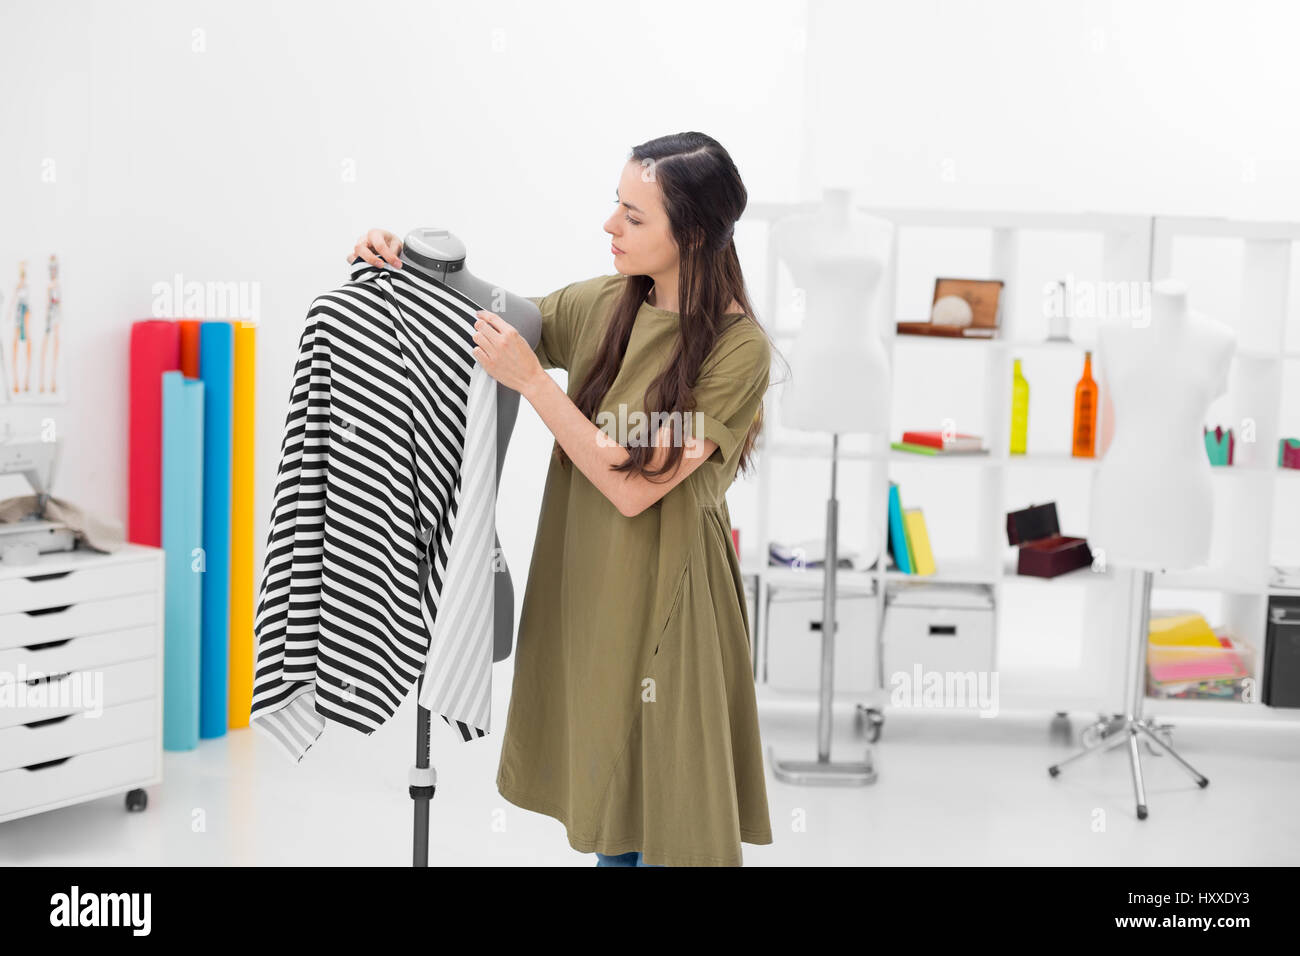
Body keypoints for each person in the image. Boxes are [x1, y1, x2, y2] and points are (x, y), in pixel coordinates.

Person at [351, 131, 782, 867]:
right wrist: (414, 260)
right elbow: (503, 313)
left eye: (635, 216)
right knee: (612, 814)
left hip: (671, 610)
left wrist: (535, 382)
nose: (610, 225)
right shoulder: (608, 303)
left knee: (672, 823)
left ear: (696, 233)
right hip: (594, 596)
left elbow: (630, 486)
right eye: (616, 205)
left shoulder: (738, 349)